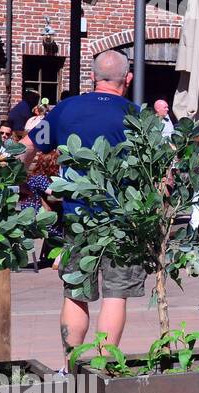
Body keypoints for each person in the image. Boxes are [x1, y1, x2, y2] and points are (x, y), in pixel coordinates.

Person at [23, 51, 142, 352]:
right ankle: (103, 368)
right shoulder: (137, 116)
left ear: (92, 76)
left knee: (76, 292)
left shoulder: (65, 109)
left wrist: (19, 182)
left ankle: (70, 369)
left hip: (78, 218)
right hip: (122, 219)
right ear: (127, 79)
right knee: (115, 296)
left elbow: (25, 149)